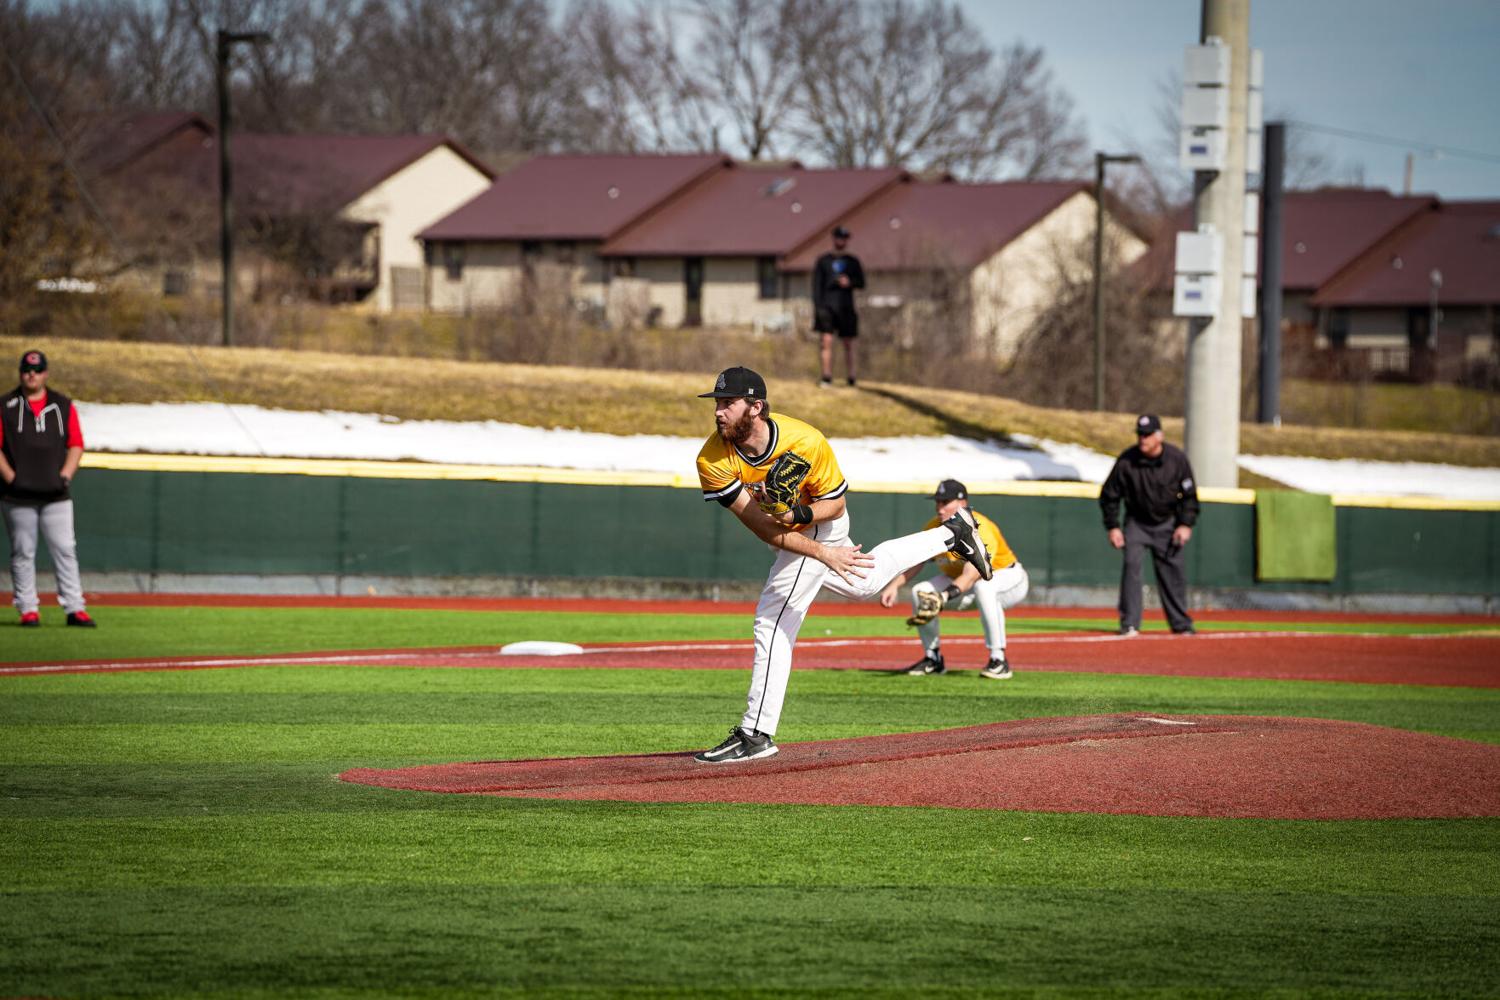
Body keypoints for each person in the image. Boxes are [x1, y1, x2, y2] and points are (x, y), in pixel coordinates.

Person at [693, 366, 992, 763]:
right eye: (717, 403)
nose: (718, 411)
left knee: (772, 619)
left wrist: (811, 531)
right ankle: (952, 533)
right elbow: (763, 528)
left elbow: (835, 504)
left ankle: (756, 733)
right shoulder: (712, 458)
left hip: (822, 522)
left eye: (728, 403)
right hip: (791, 532)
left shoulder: (805, 440)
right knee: (865, 582)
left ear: (756, 407)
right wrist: (807, 540)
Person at [879, 479, 1030, 679]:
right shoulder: (934, 527)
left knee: (985, 588)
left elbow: (972, 573)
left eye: (945, 502)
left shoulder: (979, 528)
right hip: (966, 583)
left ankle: (999, 660)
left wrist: (943, 597)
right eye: (938, 502)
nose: (940, 508)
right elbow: (918, 561)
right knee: (920, 592)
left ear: (962, 504)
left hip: (1009, 579)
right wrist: (894, 586)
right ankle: (933, 659)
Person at [1, 349, 96, 628]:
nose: (32, 374)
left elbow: (76, 443)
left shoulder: (61, 405)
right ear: (20, 372)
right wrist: (10, 477)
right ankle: (28, 609)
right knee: (23, 551)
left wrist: (65, 475)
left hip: (55, 494)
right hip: (17, 495)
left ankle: (74, 607)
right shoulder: (6, 405)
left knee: (65, 549)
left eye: (37, 370)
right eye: (27, 370)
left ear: (46, 373)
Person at [1099, 414, 1198, 637]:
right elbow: (1109, 495)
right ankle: (1130, 623)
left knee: (1172, 573)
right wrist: (1113, 526)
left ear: (1159, 436)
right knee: (1132, 567)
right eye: (1140, 434)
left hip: (1168, 523)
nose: (1143, 438)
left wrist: (1185, 524)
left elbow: (1189, 497)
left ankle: (1180, 624)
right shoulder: (1127, 461)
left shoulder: (1176, 459)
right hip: (1137, 523)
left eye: (1147, 434)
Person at [812, 225, 865, 388]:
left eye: (844, 238)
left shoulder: (853, 262)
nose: (841, 240)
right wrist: (818, 308)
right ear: (834, 239)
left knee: (849, 343)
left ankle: (851, 378)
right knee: (826, 341)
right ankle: (826, 377)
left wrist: (849, 282)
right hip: (827, 308)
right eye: (839, 237)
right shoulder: (823, 261)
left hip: (846, 308)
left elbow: (862, 283)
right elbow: (816, 286)